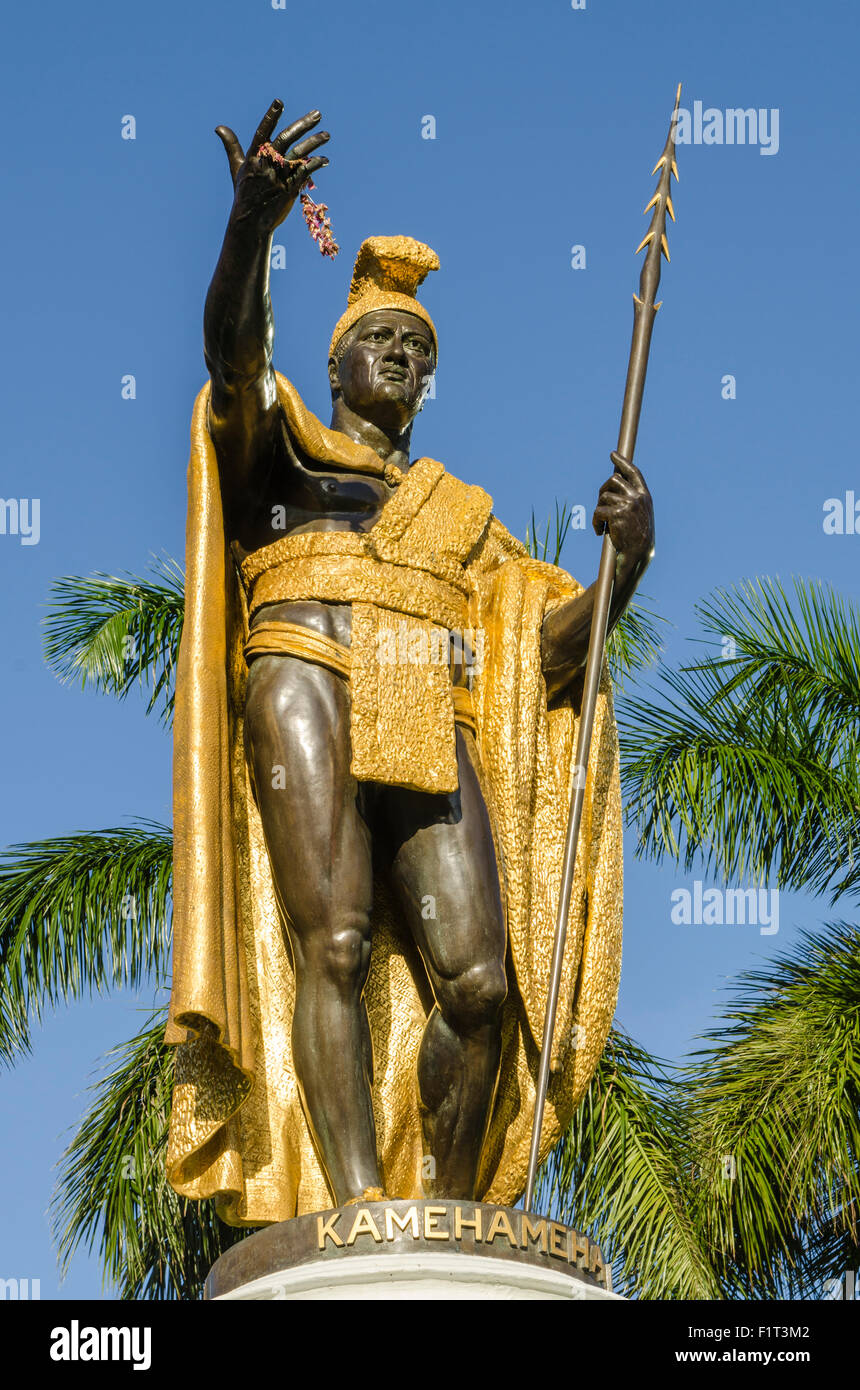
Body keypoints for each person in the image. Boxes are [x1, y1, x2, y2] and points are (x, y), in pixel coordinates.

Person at [166, 100, 653, 1224]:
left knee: (478, 983)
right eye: (383, 340)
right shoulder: (283, 442)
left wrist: (623, 567)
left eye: (418, 350)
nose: (400, 355)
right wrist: (250, 230)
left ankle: (444, 1212)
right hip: (302, 665)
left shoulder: (461, 518)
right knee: (329, 940)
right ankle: (348, 1207)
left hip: (419, 695)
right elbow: (230, 357)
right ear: (336, 360)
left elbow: (545, 655)